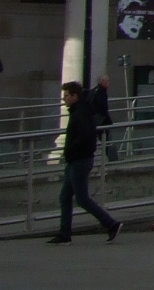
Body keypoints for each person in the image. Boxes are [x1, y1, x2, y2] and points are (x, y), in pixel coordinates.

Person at [49, 82, 121, 243]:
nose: (64, 99)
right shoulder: (79, 111)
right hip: (75, 159)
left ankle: (111, 223)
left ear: (75, 97)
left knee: (82, 198)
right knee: (65, 196)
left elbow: (85, 136)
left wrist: (70, 150)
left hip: (79, 160)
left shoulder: (80, 113)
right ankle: (64, 233)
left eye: (67, 95)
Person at [88, 74, 118, 161]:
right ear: (102, 82)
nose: (109, 83)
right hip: (101, 119)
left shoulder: (94, 90)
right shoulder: (101, 92)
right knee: (107, 139)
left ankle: (110, 157)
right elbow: (103, 107)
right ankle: (113, 158)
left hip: (93, 118)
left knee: (102, 139)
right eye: (107, 81)